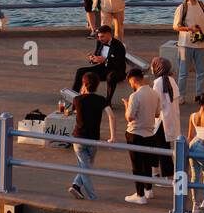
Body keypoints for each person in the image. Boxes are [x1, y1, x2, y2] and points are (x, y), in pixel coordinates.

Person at [68, 71, 116, 201]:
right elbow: (111, 116)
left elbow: (72, 111)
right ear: (98, 85)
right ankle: (92, 196)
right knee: (87, 167)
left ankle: (76, 185)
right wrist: (112, 137)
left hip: (78, 138)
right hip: (93, 139)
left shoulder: (77, 99)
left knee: (85, 167)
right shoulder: (101, 100)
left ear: (84, 85)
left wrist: (82, 92)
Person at [123, 68, 161, 204]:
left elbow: (130, 117)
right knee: (147, 164)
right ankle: (148, 189)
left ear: (133, 80)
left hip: (135, 134)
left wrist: (127, 106)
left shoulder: (135, 96)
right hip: (150, 133)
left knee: (137, 166)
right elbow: (157, 114)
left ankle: (140, 195)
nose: (131, 85)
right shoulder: (154, 93)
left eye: (130, 83)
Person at [173, 0, 204, 103]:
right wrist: (189, 29)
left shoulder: (203, 5)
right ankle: (181, 96)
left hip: (201, 44)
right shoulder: (182, 7)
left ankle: (199, 95)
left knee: (201, 72)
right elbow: (175, 26)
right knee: (183, 72)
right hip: (185, 44)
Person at [72, 24, 126, 105]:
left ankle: (108, 101)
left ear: (109, 34)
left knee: (111, 77)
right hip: (102, 68)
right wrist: (93, 59)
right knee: (80, 71)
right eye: (99, 36)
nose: (100, 39)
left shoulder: (119, 45)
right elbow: (97, 55)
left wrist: (106, 60)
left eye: (102, 36)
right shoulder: (99, 42)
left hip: (117, 71)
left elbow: (119, 63)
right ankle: (74, 97)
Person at [150, 57, 180, 179]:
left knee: (160, 148)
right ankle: (158, 173)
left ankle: (165, 174)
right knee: (162, 147)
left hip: (161, 121)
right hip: (171, 119)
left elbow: (155, 102)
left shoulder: (158, 83)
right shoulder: (172, 81)